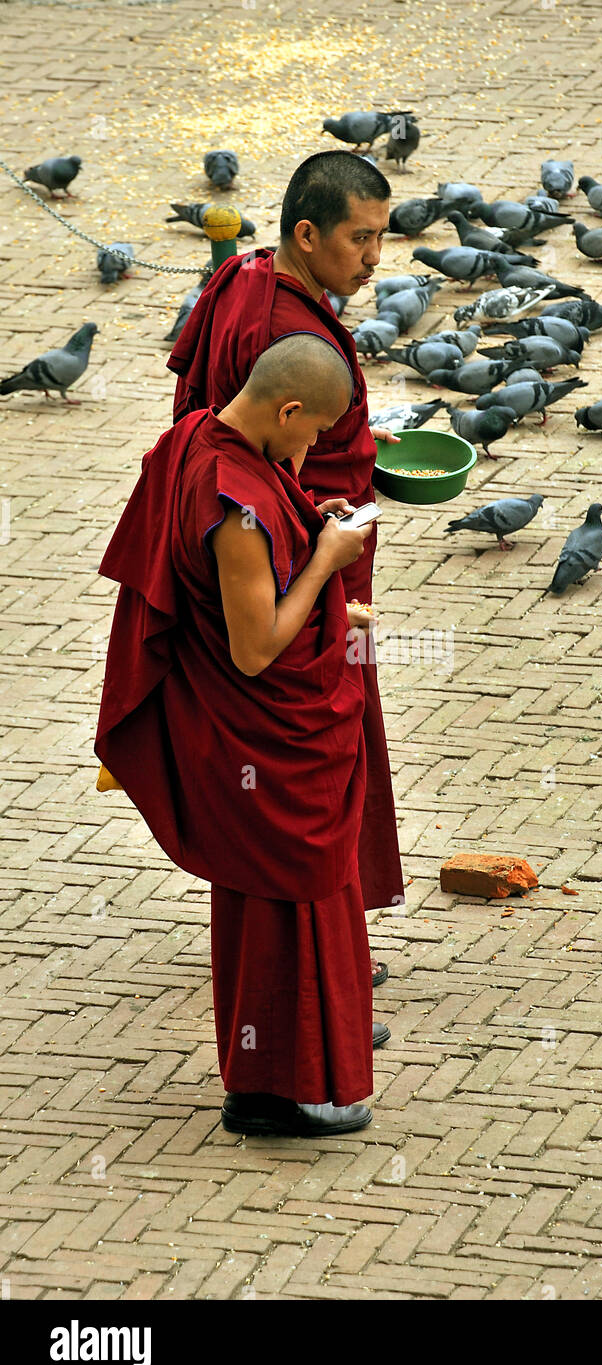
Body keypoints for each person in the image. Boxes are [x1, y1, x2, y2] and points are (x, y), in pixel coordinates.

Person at [95, 335, 387, 1136]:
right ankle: (274, 1093)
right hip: (266, 736)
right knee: (289, 894)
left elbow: (261, 551)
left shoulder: (199, 435)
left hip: (260, 730)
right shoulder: (236, 505)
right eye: (315, 434)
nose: (314, 449)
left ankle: (266, 1084)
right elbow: (254, 651)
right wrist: (326, 562)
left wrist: (305, 521)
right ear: (287, 409)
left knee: (271, 900)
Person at [167, 151, 404, 987]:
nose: (376, 257)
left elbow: (264, 430)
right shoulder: (283, 332)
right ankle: (317, 954)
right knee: (311, 776)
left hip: (300, 551)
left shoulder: (250, 279)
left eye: (383, 236)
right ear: (306, 235)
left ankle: (328, 941)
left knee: (313, 773)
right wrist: (319, 540)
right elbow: (267, 464)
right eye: (359, 238)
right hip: (296, 577)